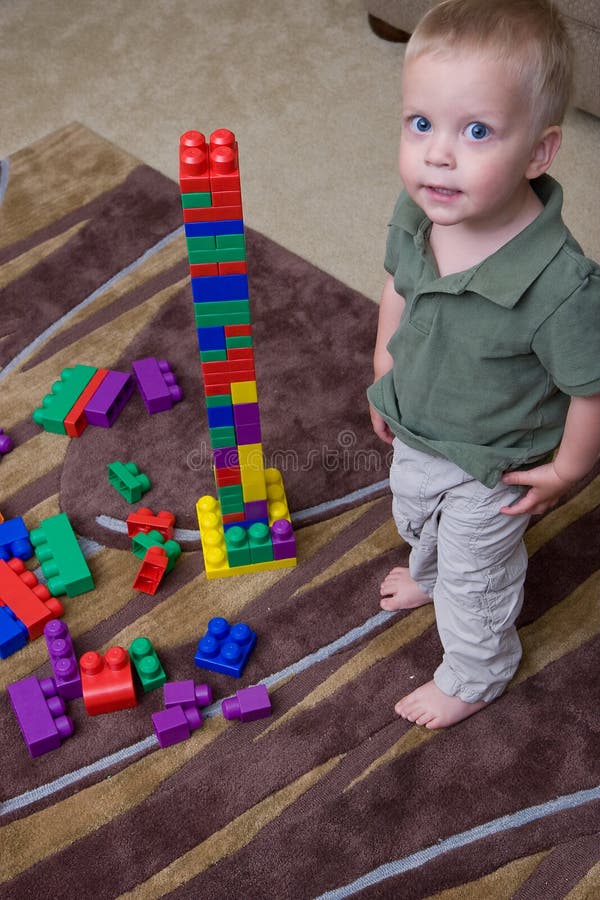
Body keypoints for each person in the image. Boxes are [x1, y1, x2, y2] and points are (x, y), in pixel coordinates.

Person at [367, 0, 600, 729]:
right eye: (421, 124)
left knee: (478, 579)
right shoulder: (419, 212)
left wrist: (567, 472)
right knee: (414, 515)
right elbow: (397, 288)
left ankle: (476, 673)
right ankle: (430, 575)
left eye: (476, 131)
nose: (438, 154)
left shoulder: (561, 287)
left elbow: (591, 390)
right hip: (419, 423)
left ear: (538, 152)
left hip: (497, 463)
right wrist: (383, 371)